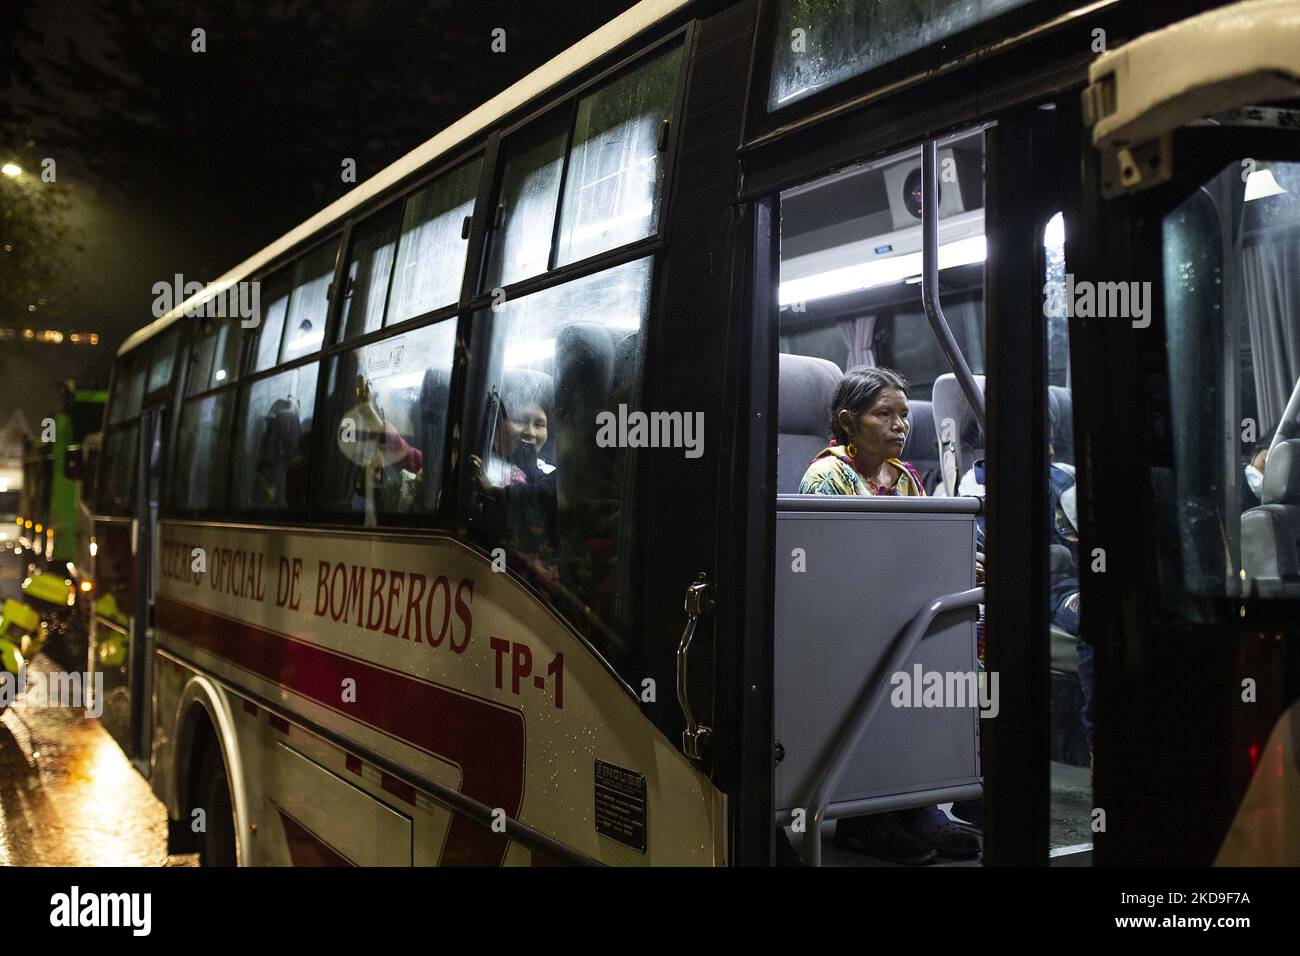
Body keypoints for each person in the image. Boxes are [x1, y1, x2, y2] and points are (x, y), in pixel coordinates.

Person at [798, 366, 980, 865]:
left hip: (899, 612)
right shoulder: (827, 475)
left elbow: (920, 550)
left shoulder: (905, 478)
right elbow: (830, 565)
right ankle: (864, 819)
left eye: (904, 414)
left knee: (951, 664)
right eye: (884, 414)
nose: (901, 425)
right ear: (848, 421)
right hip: (846, 622)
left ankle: (916, 802)